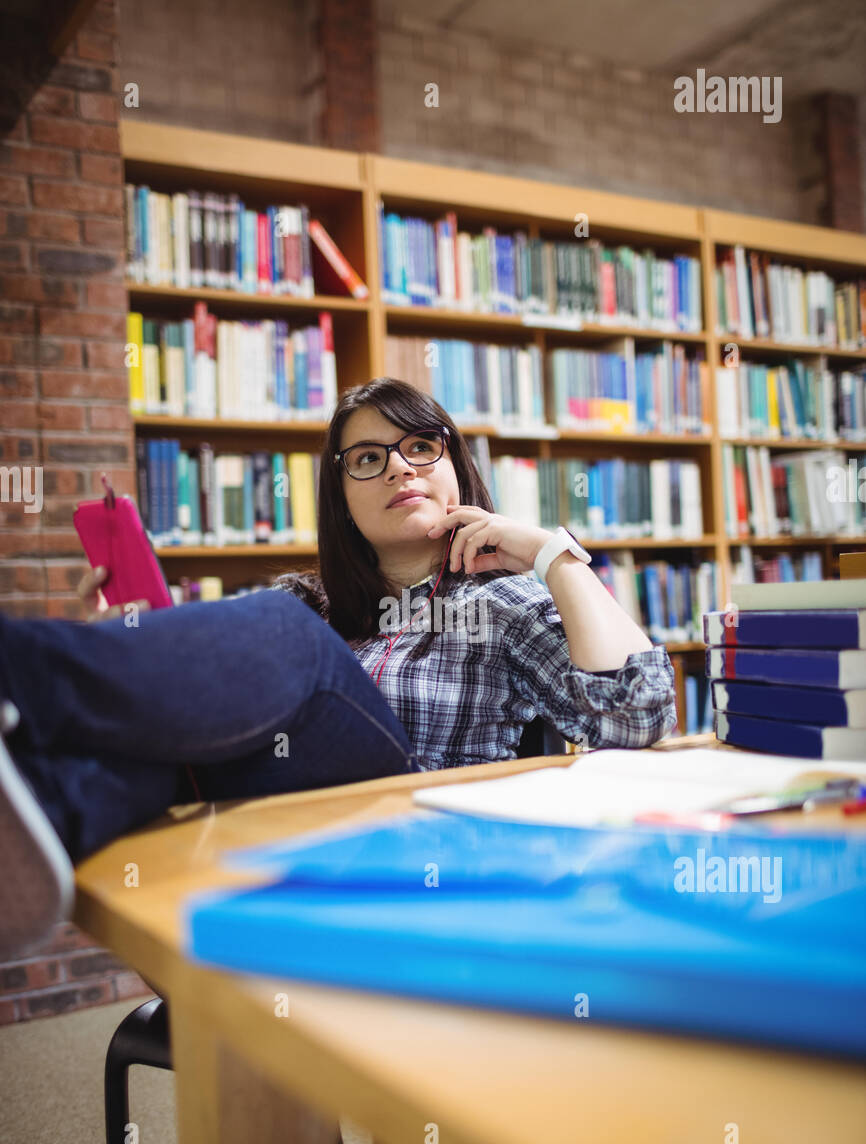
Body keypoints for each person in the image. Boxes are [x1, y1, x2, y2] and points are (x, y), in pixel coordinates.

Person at [0, 377, 675, 958]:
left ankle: (20, 676)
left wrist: (552, 555)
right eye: (368, 459)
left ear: (456, 468)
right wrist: (131, 646)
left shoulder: (503, 599)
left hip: (415, 843)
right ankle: (44, 820)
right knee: (158, 743)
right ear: (342, 496)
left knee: (286, 630)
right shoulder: (310, 598)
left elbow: (639, 718)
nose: (399, 469)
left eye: (419, 447)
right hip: (278, 833)